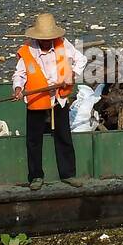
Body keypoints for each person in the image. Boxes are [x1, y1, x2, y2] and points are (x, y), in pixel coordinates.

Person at [12, 13, 86, 190]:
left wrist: (72, 74)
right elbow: (19, 74)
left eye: (49, 38)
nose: (47, 42)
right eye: (43, 39)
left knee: (64, 136)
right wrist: (18, 88)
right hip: (37, 98)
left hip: (59, 97)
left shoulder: (63, 44)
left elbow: (81, 60)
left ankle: (68, 174)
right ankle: (36, 176)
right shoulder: (28, 51)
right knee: (34, 139)